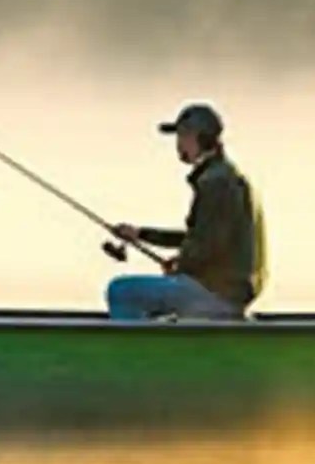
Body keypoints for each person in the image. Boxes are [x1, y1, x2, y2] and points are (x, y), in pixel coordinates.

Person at [106, 103, 267, 321]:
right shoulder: (225, 176)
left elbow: (209, 246)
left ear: (201, 138)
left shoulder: (216, 183)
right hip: (229, 291)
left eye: (183, 136)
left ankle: (137, 351)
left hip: (219, 295)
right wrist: (141, 234)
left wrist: (181, 267)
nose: (178, 144)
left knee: (122, 291)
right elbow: (200, 237)